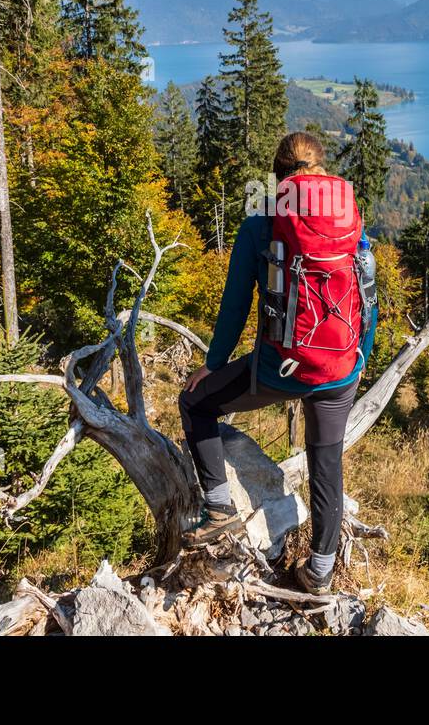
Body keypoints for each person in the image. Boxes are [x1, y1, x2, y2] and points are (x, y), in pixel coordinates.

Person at [178, 131, 376, 594]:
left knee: (196, 405)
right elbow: (367, 292)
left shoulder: (260, 223)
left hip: (279, 372)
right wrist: (361, 353)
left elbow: (234, 305)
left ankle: (219, 509)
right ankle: (320, 572)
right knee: (326, 462)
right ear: (321, 169)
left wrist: (213, 362)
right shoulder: (348, 219)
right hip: (340, 369)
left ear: (278, 174)